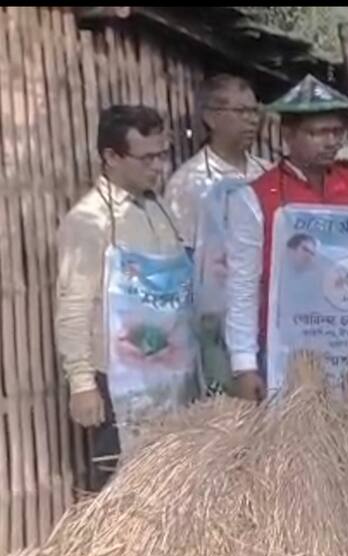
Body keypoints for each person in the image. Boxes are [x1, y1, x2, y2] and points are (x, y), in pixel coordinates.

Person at [223, 75, 348, 406]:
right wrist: (243, 365)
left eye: (336, 132)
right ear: (288, 135)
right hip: (292, 353)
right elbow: (242, 287)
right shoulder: (255, 197)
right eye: (317, 132)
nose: (330, 141)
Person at [56, 105, 189, 489]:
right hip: (117, 380)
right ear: (111, 157)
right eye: (146, 158)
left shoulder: (160, 209)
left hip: (169, 374)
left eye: (162, 154)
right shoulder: (88, 221)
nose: (158, 167)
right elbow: (73, 305)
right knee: (118, 488)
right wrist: (82, 383)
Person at [164, 74, 271, 397]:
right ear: (210, 117)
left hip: (268, 313)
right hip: (216, 325)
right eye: (240, 111)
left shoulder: (267, 174)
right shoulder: (188, 184)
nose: (251, 120)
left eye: (254, 111)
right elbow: (181, 262)